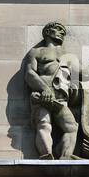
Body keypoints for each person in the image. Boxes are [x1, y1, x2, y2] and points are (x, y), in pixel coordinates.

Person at [24, 21, 79, 159]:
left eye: (63, 31)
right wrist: (45, 89)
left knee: (72, 128)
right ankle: (46, 154)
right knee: (44, 123)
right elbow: (29, 73)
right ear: (48, 32)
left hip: (61, 98)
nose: (62, 33)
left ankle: (66, 156)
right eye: (58, 29)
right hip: (43, 95)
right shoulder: (37, 52)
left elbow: (84, 74)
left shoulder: (68, 55)